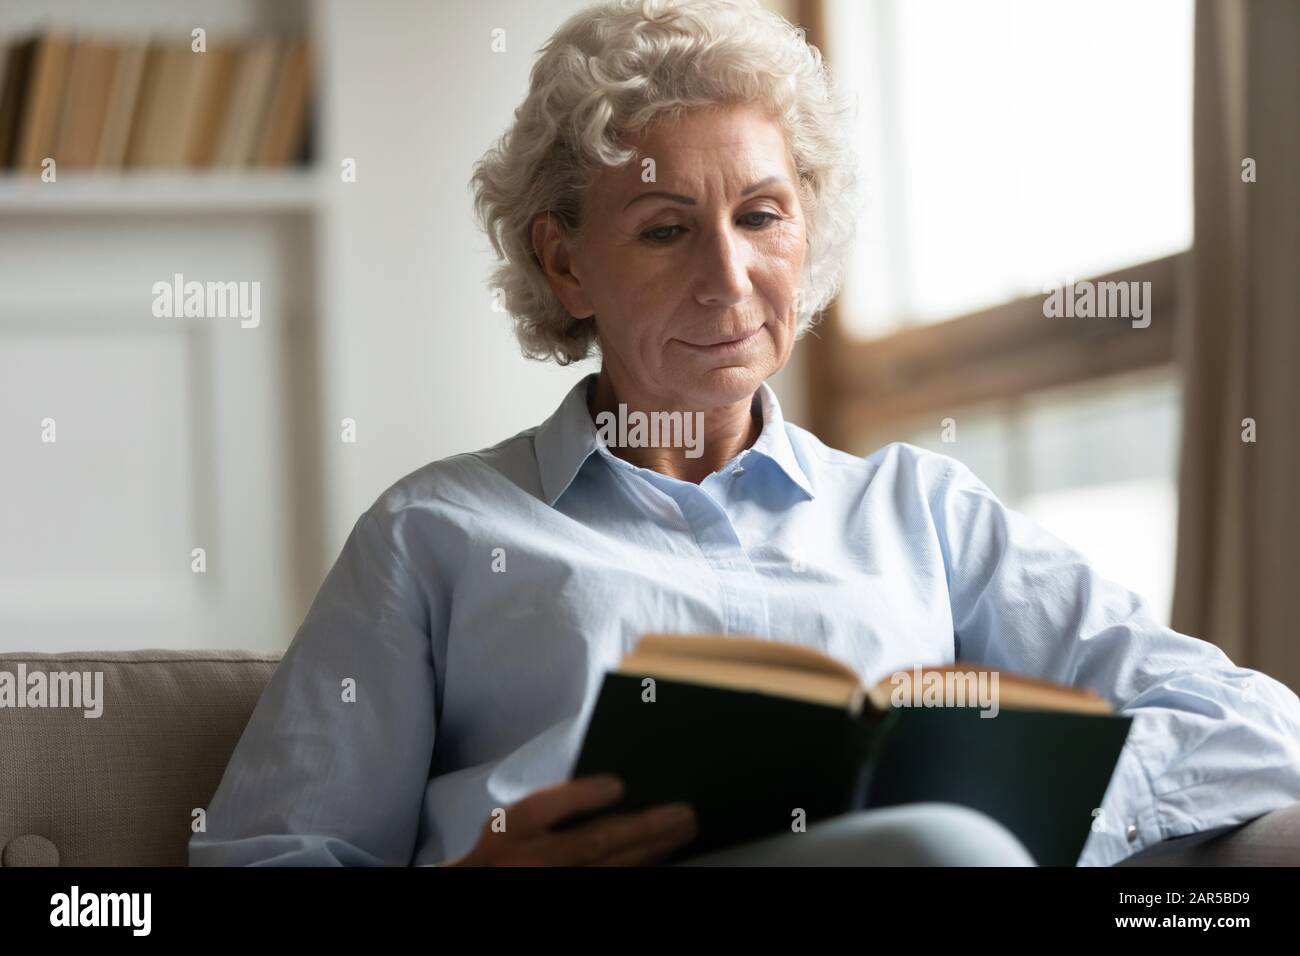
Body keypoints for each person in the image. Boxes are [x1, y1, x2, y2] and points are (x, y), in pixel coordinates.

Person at [189, 0, 1300, 867]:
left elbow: (1257, 726)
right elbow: (267, 852)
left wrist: (1050, 809)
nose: (729, 278)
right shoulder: (433, 532)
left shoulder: (922, 513)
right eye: (666, 228)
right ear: (566, 263)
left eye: (761, 215)